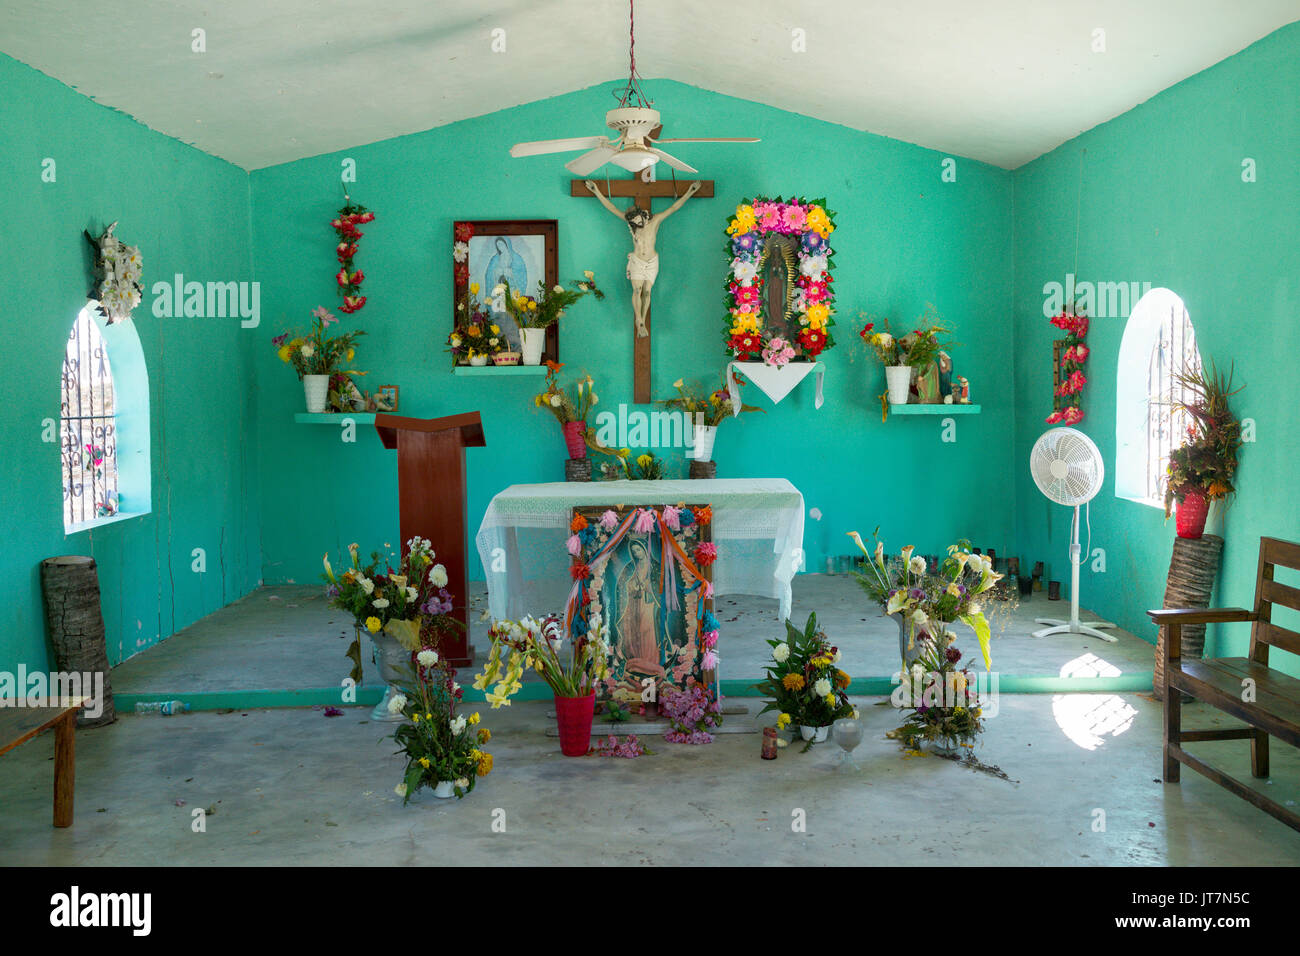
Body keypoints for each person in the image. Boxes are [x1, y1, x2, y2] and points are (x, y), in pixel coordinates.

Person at [584, 179, 702, 337]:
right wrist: (596, 190)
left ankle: (643, 320)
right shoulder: (632, 225)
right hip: (637, 261)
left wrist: (691, 191)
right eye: (633, 222)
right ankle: (639, 320)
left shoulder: (655, 221)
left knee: (647, 292)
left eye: (638, 221)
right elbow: (611, 208)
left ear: (644, 216)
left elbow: (674, 207)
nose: (636, 224)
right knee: (637, 290)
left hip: (652, 261)